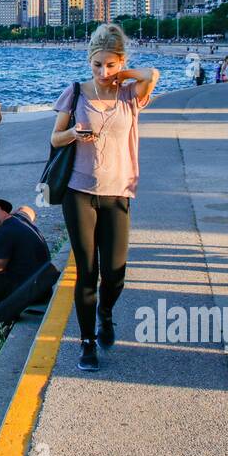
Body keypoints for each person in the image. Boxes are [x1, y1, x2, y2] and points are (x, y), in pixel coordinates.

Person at [51, 23, 160, 372]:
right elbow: (55, 139)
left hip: (117, 194)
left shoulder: (131, 94)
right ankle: (86, 341)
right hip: (79, 193)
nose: (102, 72)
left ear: (121, 62)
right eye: (97, 64)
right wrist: (73, 132)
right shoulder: (76, 92)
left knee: (114, 274)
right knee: (87, 270)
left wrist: (121, 74)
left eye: (109, 65)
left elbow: (152, 73)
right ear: (89, 62)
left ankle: (106, 312)